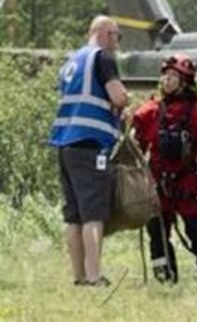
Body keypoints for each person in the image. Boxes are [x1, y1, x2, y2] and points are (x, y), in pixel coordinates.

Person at [49, 15, 129, 287]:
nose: (117, 43)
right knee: (94, 214)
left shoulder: (72, 61)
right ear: (106, 34)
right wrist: (125, 101)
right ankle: (95, 277)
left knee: (74, 216)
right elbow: (118, 97)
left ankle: (79, 276)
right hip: (90, 143)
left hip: (65, 144)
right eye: (117, 36)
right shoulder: (102, 58)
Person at [131, 53, 197, 285]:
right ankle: (165, 279)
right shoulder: (148, 112)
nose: (167, 80)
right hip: (157, 184)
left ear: (185, 82)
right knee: (157, 233)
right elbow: (136, 149)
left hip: (188, 184)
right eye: (166, 76)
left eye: (173, 76)